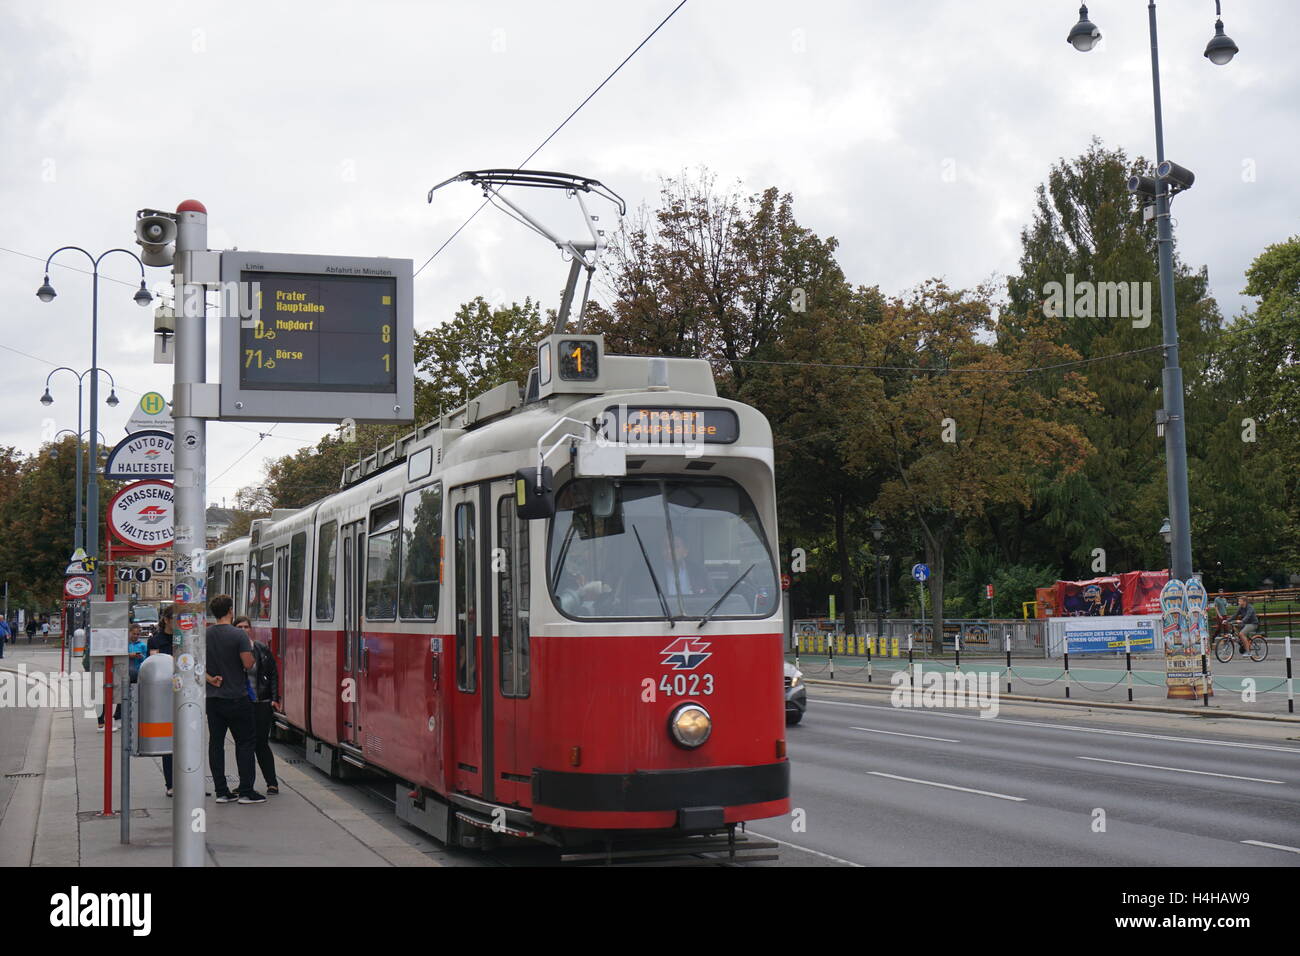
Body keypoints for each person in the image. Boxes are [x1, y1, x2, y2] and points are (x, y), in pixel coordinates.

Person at [205, 595, 264, 804]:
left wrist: (211, 679)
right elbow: (248, 664)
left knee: (216, 744)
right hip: (237, 697)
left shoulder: (205, 634)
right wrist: (251, 654)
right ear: (230, 610)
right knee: (245, 744)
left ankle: (221, 791)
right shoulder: (238, 635)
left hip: (213, 699)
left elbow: (194, 665)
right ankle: (247, 791)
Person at [234, 616, 280, 795]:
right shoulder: (233, 650)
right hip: (242, 702)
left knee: (261, 743)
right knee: (244, 744)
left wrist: (275, 697)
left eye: (246, 626)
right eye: (239, 626)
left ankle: (272, 782)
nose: (243, 629)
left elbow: (273, 673)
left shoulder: (260, 648)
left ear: (250, 629)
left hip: (261, 702)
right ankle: (246, 784)